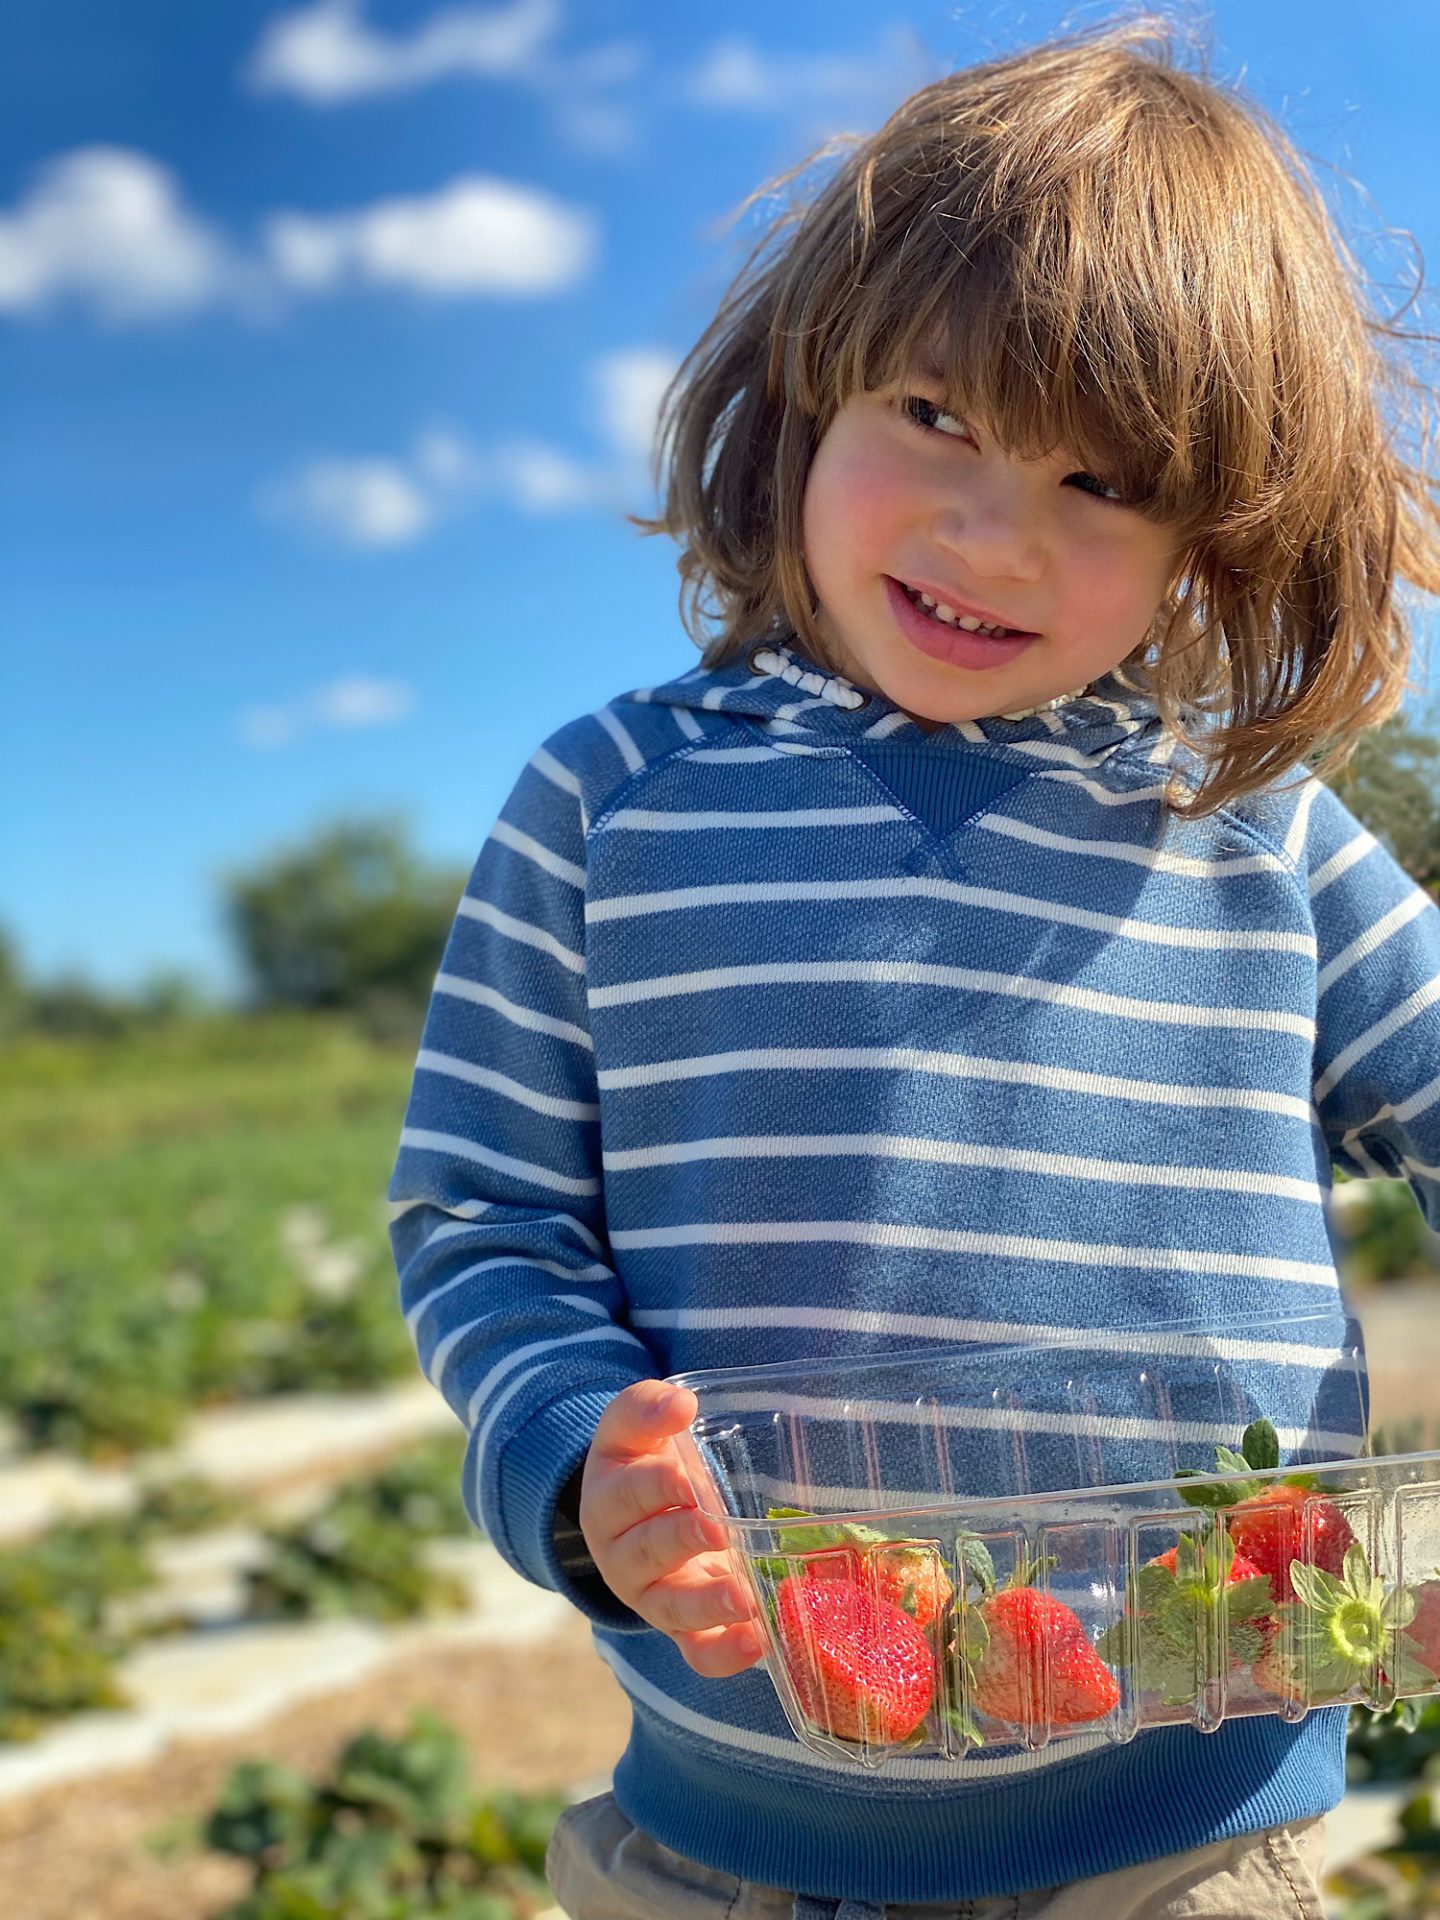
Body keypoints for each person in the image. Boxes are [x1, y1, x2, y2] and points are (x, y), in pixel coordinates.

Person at [387, 15, 1440, 1917]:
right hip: (733, 1822)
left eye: (1102, 482)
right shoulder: (613, 808)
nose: (991, 534)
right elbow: (484, 1214)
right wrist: (570, 1458)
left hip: (1186, 1825)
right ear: (808, 388)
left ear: (1216, 536)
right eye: (937, 417)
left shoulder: (1250, 833)